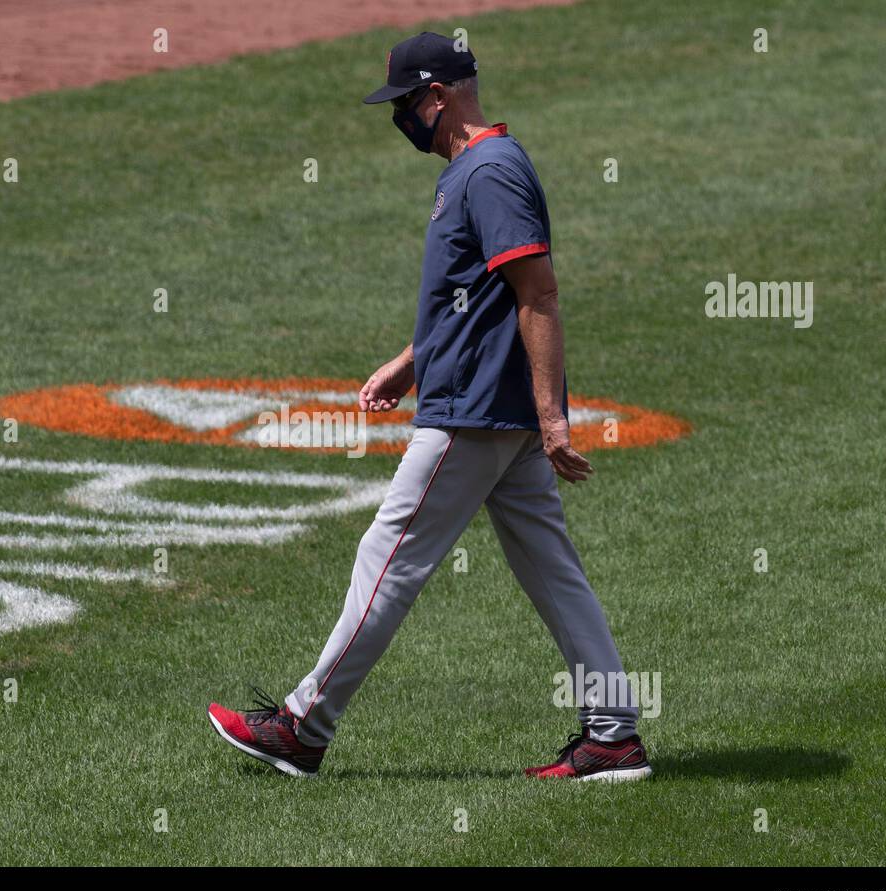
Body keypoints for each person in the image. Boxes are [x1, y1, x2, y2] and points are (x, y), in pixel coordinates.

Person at [208, 32, 651, 782]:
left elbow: (536, 293)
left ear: (438, 97)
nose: (401, 120)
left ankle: (302, 727)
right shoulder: (476, 171)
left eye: (406, 103)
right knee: (551, 569)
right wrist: (414, 362)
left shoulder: (488, 173)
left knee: (387, 560)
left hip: (476, 413)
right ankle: (612, 733)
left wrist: (552, 420)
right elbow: (477, 294)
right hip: (483, 404)